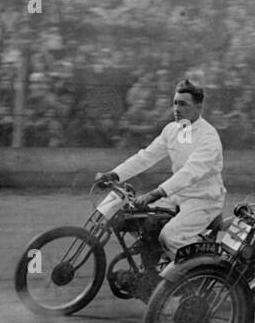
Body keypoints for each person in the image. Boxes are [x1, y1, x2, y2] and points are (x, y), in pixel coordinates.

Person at [96, 78, 225, 259]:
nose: (177, 109)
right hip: (177, 196)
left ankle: (207, 270)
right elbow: (145, 157)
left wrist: (155, 193)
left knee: (169, 236)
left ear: (198, 107)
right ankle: (150, 279)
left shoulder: (209, 137)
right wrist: (115, 174)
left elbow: (190, 172)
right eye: (175, 103)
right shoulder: (172, 130)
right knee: (143, 221)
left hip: (204, 200)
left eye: (183, 104)